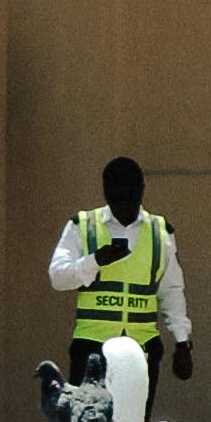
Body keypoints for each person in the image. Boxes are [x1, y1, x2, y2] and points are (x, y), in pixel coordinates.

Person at [48, 153, 192, 390]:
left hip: (142, 347)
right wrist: (95, 260)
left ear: (142, 191)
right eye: (117, 199)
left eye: (131, 199)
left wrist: (182, 342)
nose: (124, 206)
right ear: (106, 193)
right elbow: (58, 277)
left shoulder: (161, 231)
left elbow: (172, 291)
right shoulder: (83, 225)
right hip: (91, 348)